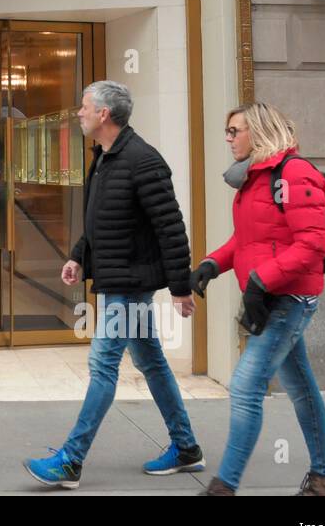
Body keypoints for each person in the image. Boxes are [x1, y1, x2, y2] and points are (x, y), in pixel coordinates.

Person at [24, 80, 202, 489]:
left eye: (84, 107)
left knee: (103, 365)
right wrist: (78, 256)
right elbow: (103, 223)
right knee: (151, 362)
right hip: (117, 277)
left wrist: (180, 286)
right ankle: (187, 448)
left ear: (104, 114)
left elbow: (171, 228)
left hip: (130, 282)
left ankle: (71, 459)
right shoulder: (105, 158)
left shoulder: (143, 161)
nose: (80, 113)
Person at [190, 102, 325, 496]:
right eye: (227, 131)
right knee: (301, 388)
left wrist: (260, 280)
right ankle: (324, 480)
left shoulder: (294, 173)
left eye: (234, 131)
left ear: (257, 131)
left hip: (289, 298)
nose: (228, 139)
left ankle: (224, 486)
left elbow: (314, 243)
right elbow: (249, 240)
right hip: (269, 295)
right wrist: (212, 263)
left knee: (244, 386)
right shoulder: (256, 178)